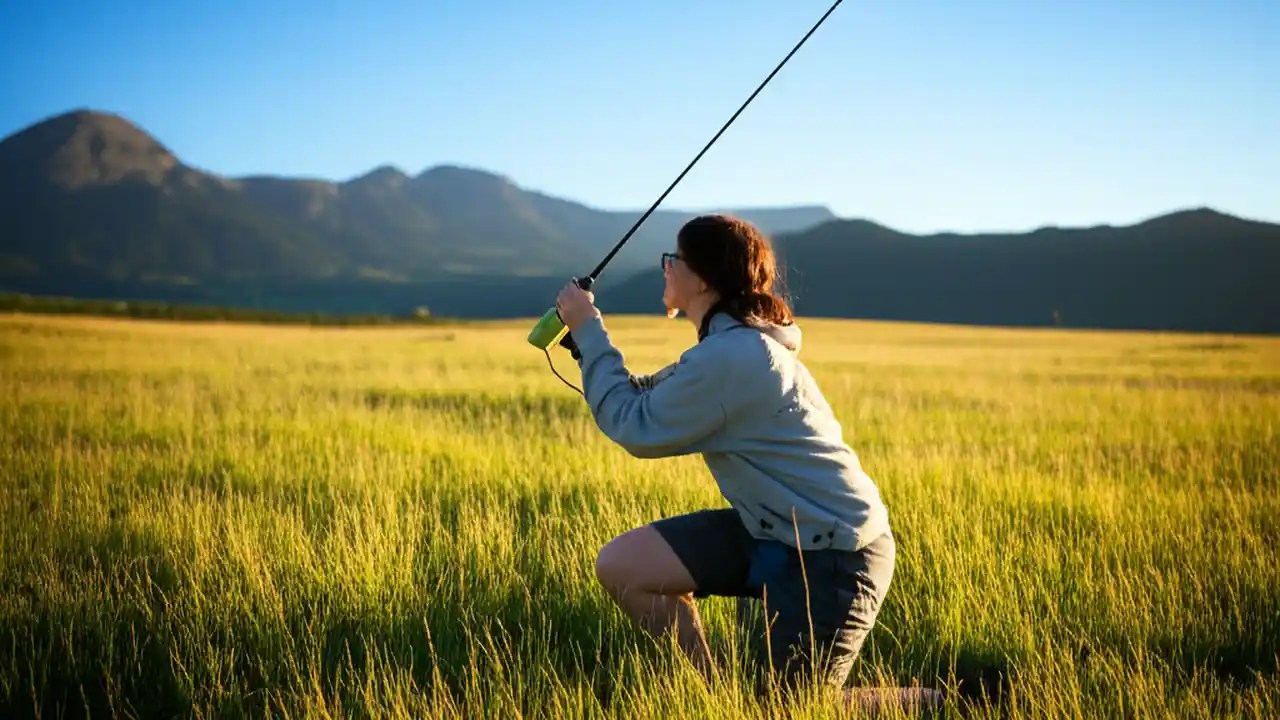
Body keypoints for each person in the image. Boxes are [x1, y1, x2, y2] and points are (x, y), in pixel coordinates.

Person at [555, 214, 941, 712]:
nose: (666, 268)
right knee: (623, 566)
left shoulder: (735, 357)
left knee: (792, 711)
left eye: (675, 260)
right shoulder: (726, 348)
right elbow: (646, 393)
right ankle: (719, 696)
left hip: (834, 555)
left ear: (704, 279)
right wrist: (587, 344)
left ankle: (948, 699)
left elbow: (634, 425)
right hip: (773, 531)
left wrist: (589, 330)